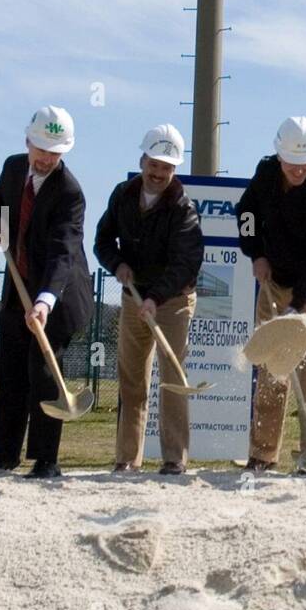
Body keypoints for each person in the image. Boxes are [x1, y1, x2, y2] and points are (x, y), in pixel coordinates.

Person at [0, 106, 93, 478]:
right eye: (41, 148)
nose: (46, 158)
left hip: (57, 293)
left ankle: (46, 460)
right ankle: (3, 454)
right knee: (10, 373)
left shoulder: (70, 193)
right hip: (18, 287)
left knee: (44, 376)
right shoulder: (13, 167)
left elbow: (64, 251)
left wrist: (45, 301)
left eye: (55, 151)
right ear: (27, 141)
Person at [94, 124, 203, 474]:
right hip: (133, 296)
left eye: (166, 167)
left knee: (172, 378)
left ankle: (174, 459)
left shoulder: (184, 209)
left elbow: (185, 264)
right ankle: (127, 459)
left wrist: (155, 298)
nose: (158, 173)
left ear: (175, 170)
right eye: (154, 164)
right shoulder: (122, 195)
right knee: (132, 379)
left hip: (173, 301)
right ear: (142, 160)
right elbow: (102, 241)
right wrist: (118, 264)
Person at [237, 116, 306, 472]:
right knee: (271, 365)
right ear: (278, 156)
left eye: (304, 165)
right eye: (290, 164)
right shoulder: (265, 175)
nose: (297, 171)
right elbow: (247, 214)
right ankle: (263, 454)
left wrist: (297, 307)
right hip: (275, 279)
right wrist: (257, 253)